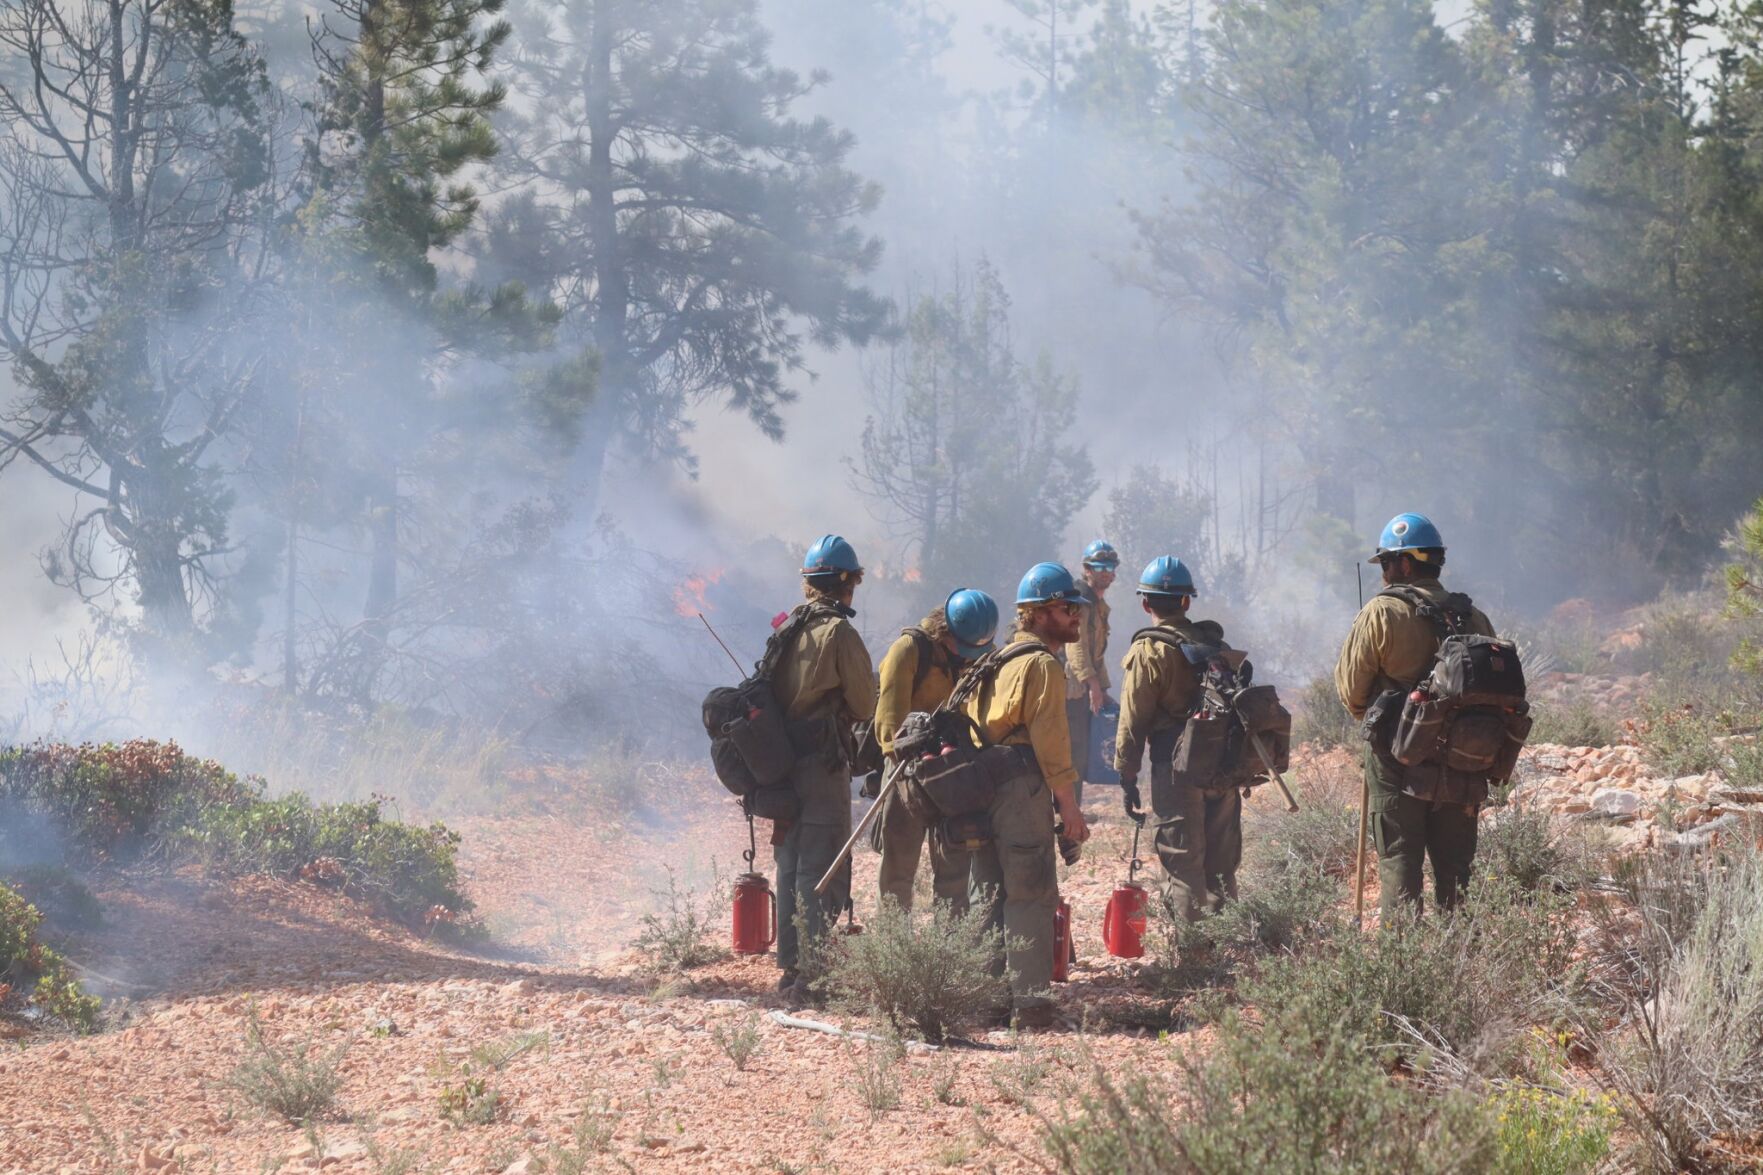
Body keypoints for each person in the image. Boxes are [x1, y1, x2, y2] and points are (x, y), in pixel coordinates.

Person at [1334, 513, 1496, 919]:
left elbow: (1351, 693)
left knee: (1400, 862)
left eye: (1387, 563)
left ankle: (1403, 969)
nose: (1384, 574)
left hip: (1396, 759)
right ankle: (1461, 961)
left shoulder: (1382, 612)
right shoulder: (1474, 617)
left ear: (1405, 564)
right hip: (1463, 759)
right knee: (1457, 870)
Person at [960, 562, 1092, 1029]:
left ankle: (987, 1001)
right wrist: (1069, 806)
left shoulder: (993, 660)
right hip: (1020, 790)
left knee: (989, 893)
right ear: (1036, 614)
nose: (1076, 615)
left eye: (1076, 607)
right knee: (1031, 891)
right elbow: (1052, 742)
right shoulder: (1041, 665)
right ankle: (1032, 1007)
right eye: (1066, 607)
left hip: (982, 790)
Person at [772, 534, 877, 1000]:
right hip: (822, 765)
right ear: (844, 583)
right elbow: (864, 701)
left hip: (783, 764)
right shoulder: (838, 633)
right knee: (823, 865)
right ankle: (812, 976)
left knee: (791, 859)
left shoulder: (786, 628)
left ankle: (792, 965)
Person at [1114, 556, 1242, 920]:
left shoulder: (1148, 650)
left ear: (1145, 604)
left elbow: (1132, 720)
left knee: (1183, 863)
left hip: (1176, 768)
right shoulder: (1214, 644)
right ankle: (1228, 945)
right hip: (1223, 765)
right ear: (1187, 601)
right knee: (1221, 864)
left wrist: (1127, 775)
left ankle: (1195, 956)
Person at [873, 589, 1000, 913]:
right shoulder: (909, 651)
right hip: (906, 773)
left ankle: (950, 950)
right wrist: (914, 758)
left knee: (954, 872)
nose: (969, 656)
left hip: (953, 773)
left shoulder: (976, 656)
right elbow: (888, 726)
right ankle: (893, 951)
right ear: (945, 631)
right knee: (898, 871)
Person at [1064, 539, 1119, 805]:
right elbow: (1076, 646)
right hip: (1069, 691)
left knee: (1080, 751)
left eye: (1110, 566)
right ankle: (1067, 811)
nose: (1106, 571)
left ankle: (1070, 808)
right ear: (1087, 569)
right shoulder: (1079, 600)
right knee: (1072, 753)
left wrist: (1104, 689)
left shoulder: (1098, 605)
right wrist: (1093, 684)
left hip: (1081, 689)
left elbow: (1097, 652)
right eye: (1100, 566)